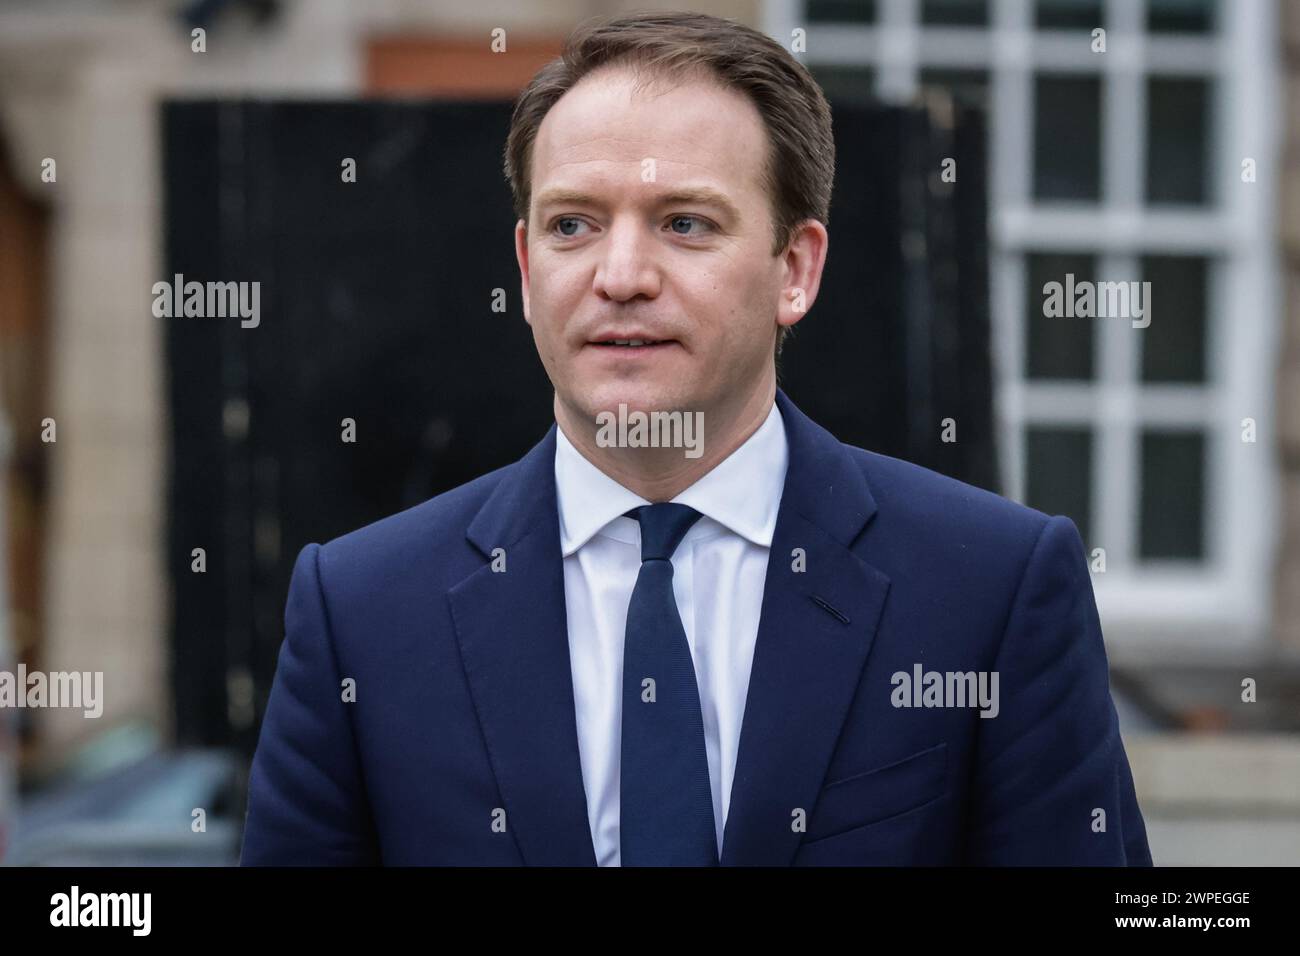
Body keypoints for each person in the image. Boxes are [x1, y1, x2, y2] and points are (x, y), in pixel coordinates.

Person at [240, 11, 1152, 866]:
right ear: (524, 270)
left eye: (685, 223)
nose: (622, 275)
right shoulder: (360, 611)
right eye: (573, 225)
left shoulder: (992, 590)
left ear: (795, 270)